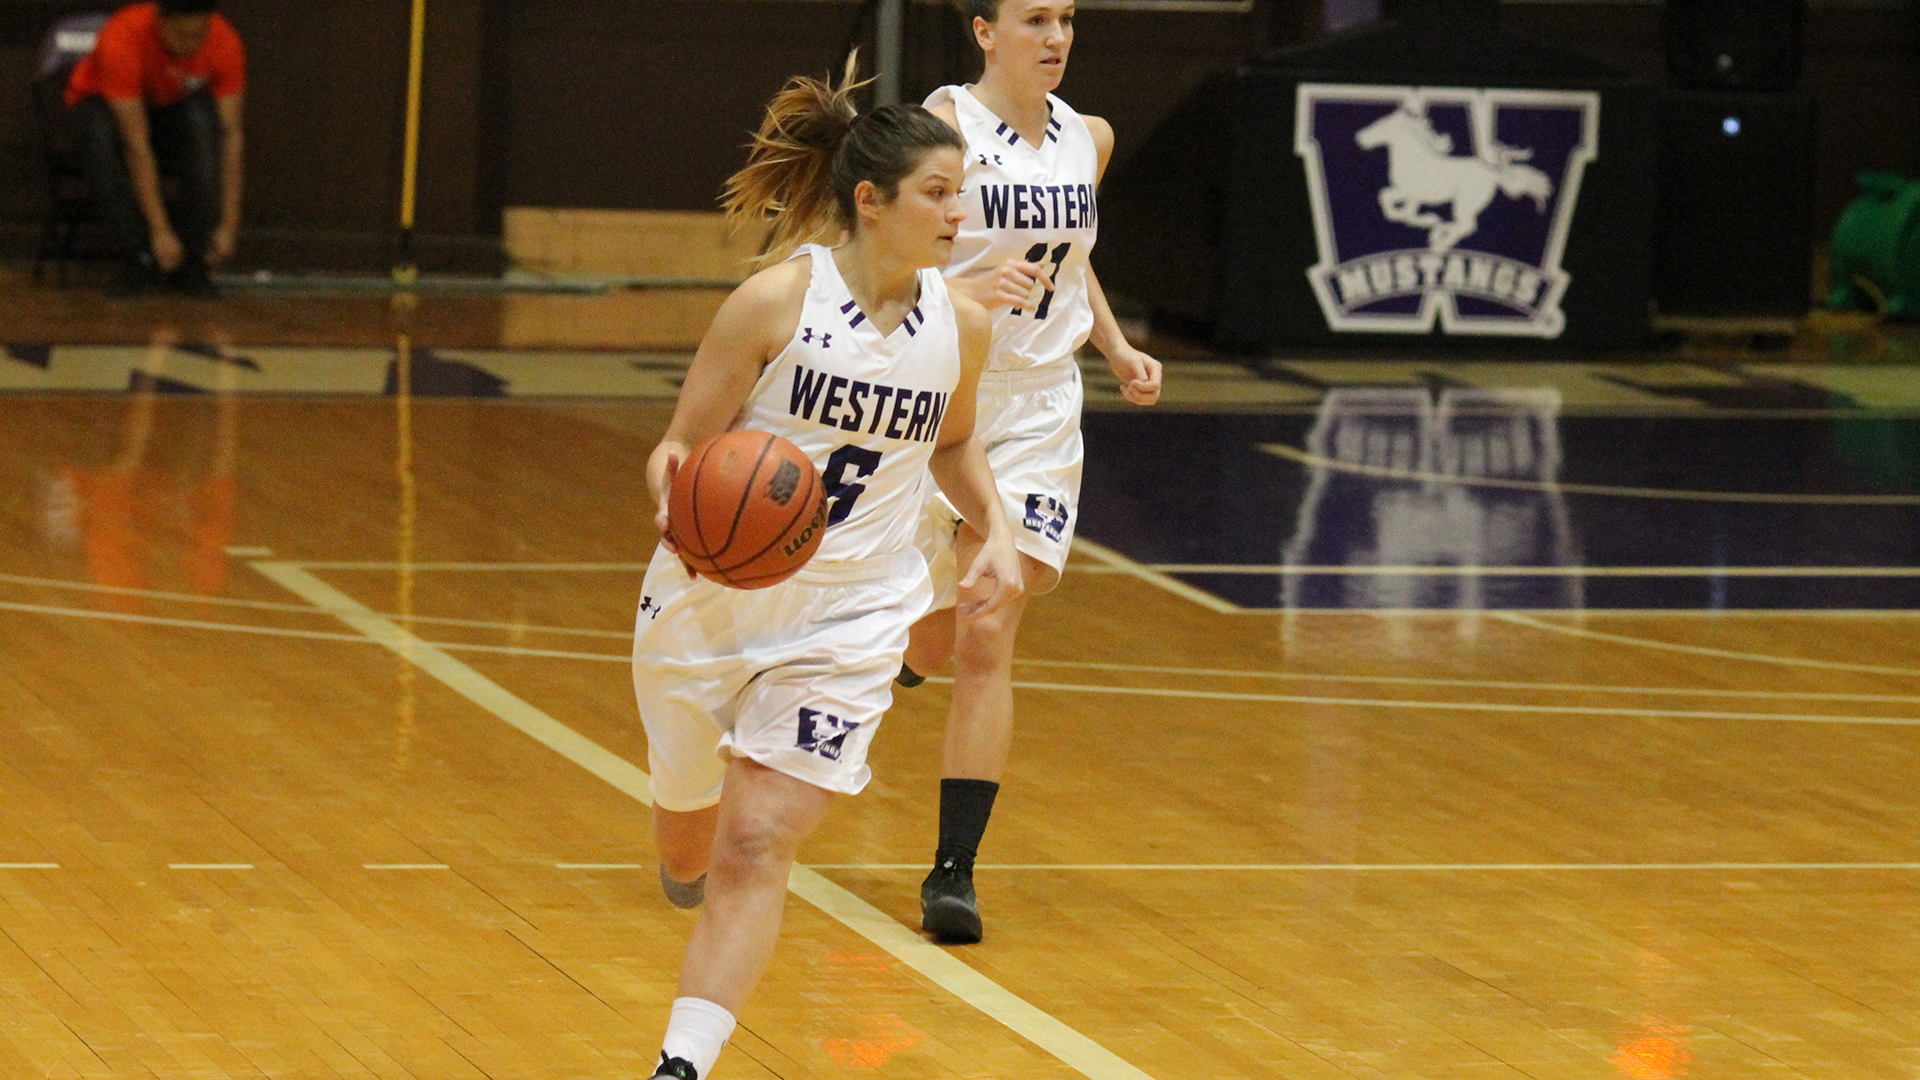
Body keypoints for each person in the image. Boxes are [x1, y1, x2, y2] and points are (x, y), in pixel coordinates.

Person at [630, 60, 1024, 1080]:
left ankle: (682, 1065)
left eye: (962, 190)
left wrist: (995, 532)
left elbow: (953, 444)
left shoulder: (961, 326)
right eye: (938, 192)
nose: (958, 212)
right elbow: (679, 446)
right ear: (870, 199)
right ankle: (681, 837)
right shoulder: (772, 303)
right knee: (687, 848)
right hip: (713, 600)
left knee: (757, 842)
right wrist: (679, 495)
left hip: (851, 621)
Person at [900, 0, 1164, 945]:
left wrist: (1117, 345)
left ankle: (952, 872)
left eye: (1066, 19)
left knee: (987, 621)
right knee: (929, 639)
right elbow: (883, 263)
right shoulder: (941, 133)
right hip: (943, 389)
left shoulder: (1086, 138)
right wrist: (961, 288)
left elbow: (1071, 260)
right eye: (1032, 19)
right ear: (983, 32)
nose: (1054, 37)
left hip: (1042, 406)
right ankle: (895, 655)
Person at [64, 0, 246, 297]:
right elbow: (136, 145)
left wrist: (228, 223)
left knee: (201, 124)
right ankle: (138, 258)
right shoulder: (122, 36)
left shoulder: (224, 41)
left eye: (196, 37)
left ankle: (194, 261)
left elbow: (232, 137)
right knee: (99, 138)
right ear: (159, 23)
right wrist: (159, 231)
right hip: (104, 106)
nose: (188, 46)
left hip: (164, 104)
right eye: (179, 36)